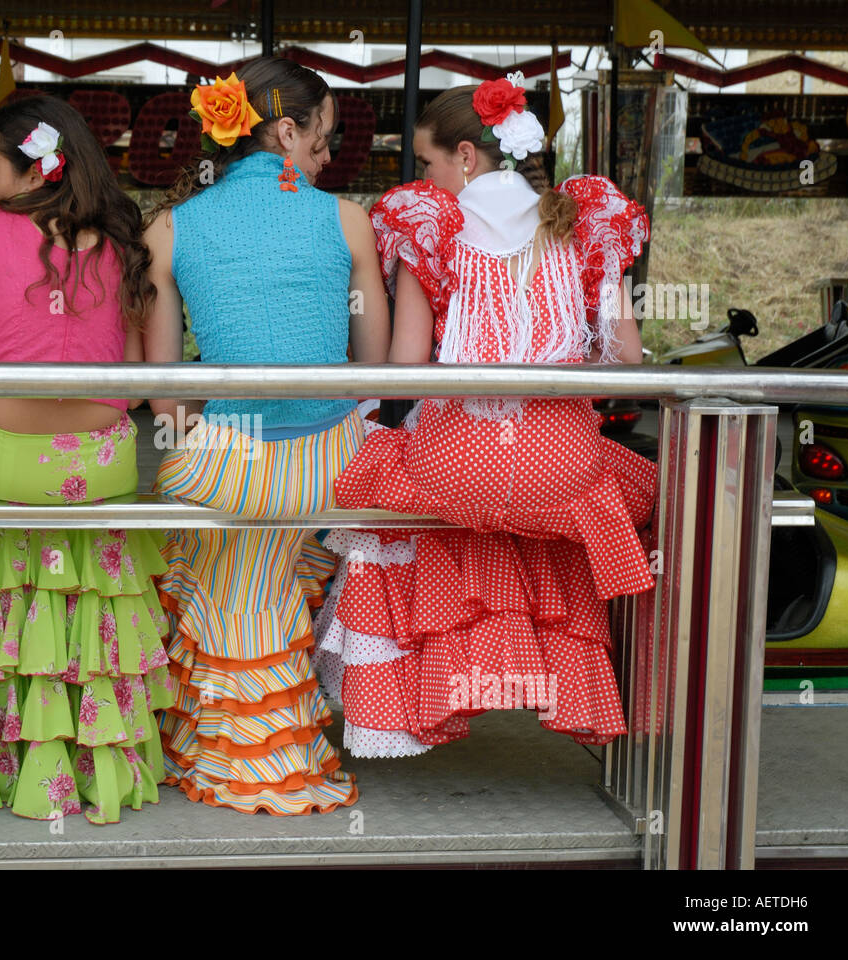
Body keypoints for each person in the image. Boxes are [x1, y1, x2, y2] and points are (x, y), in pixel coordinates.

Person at [313, 76, 657, 758]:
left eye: (428, 163)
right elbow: (626, 358)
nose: (426, 178)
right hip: (562, 473)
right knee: (579, 486)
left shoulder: (432, 227)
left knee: (377, 481)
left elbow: (405, 370)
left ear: (466, 156)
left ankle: (403, 703)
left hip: (456, 470)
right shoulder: (588, 222)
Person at [143, 57, 390, 814]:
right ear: (287, 129)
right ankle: (268, 741)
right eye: (324, 136)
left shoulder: (171, 226)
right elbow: (370, 367)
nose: (327, 153)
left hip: (227, 455)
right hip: (331, 463)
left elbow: (165, 399)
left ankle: (227, 745)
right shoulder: (346, 218)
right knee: (272, 565)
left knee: (215, 546)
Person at [0, 95, 173, 824]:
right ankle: (97, 776)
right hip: (98, 467)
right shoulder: (129, 239)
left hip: (2, 463)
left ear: (34, 165)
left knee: (3, 628)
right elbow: (143, 376)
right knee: (92, 627)